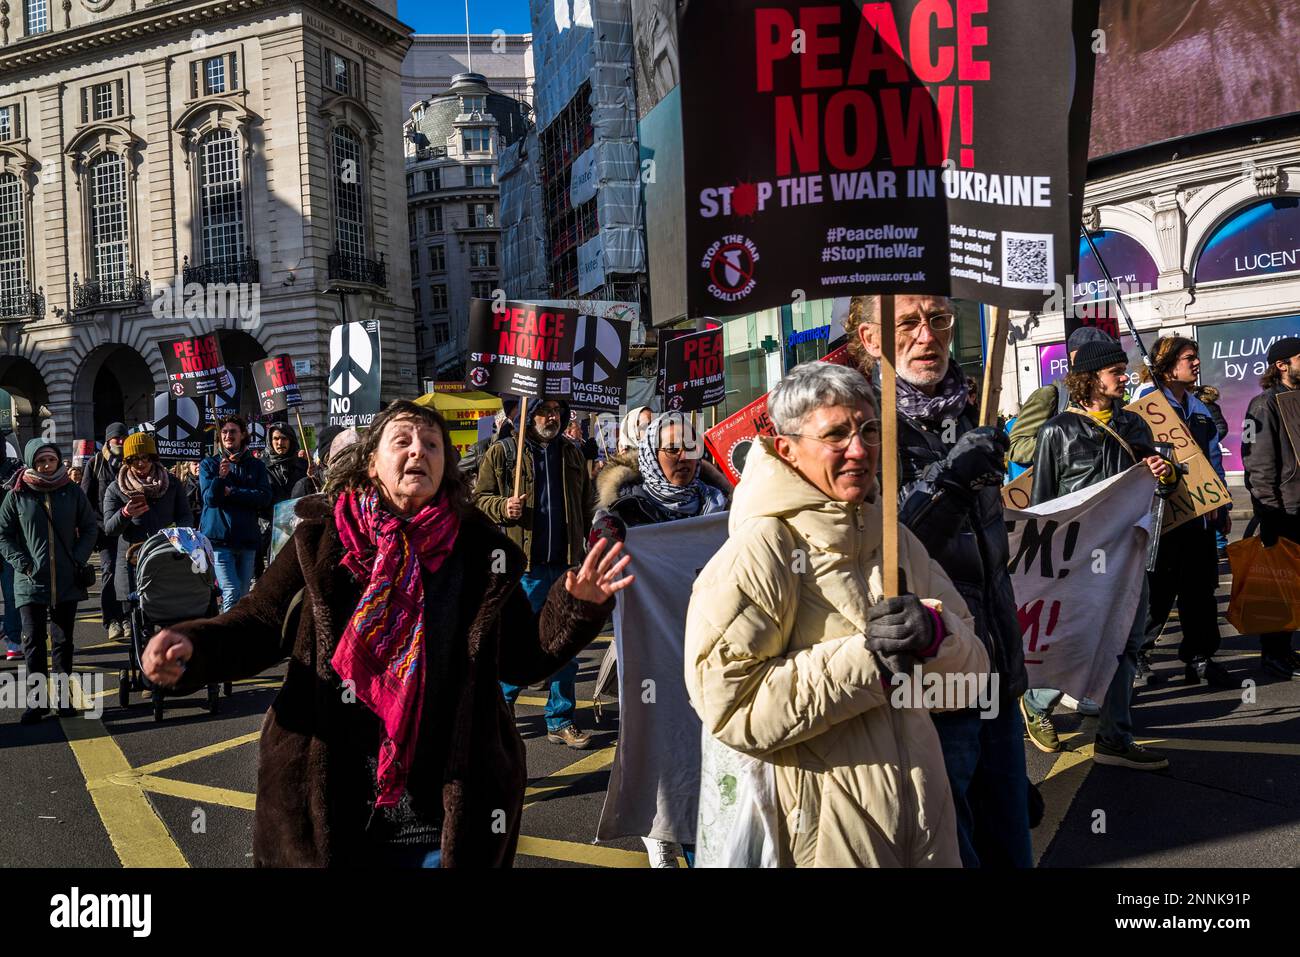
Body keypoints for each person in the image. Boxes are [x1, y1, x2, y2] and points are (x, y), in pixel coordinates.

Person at [141, 400, 633, 866]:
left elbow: (525, 658)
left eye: (432, 444)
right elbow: (260, 623)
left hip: (443, 812)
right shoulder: (322, 537)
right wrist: (193, 646)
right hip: (328, 803)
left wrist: (577, 606)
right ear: (372, 463)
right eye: (403, 441)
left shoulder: (481, 551)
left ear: (446, 467)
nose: (419, 450)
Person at [684, 362, 990, 867]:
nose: (859, 449)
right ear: (787, 449)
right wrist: (866, 660)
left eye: (870, 430)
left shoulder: (892, 535)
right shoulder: (762, 549)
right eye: (837, 434)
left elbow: (973, 674)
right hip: (822, 835)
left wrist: (936, 636)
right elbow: (730, 707)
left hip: (927, 823)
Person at [849, 293, 1032, 868]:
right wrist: (951, 478)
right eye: (907, 323)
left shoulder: (975, 408)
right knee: (947, 848)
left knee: (1009, 843)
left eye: (939, 319)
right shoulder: (863, 425)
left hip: (994, 668)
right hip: (931, 680)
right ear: (871, 338)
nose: (927, 335)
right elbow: (881, 545)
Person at [1027, 339, 1178, 769]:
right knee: (1074, 639)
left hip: (1129, 552)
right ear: (1091, 378)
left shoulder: (1135, 426)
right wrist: (1048, 565)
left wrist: (1165, 476)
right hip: (1079, 559)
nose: (1125, 376)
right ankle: (1037, 702)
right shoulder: (1057, 430)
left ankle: (1115, 737)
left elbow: (1162, 489)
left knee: (1125, 645)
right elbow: (1043, 506)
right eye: (1116, 371)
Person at [590, 411, 730, 868]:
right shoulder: (628, 513)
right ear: (651, 453)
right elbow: (596, 566)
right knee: (668, 752)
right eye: (672, 449)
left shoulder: (723, 506)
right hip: (659, 658)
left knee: (719, 756)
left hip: (722, 657)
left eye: (692, 448)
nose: (685, 458)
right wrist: (603, 539)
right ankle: (664, 833)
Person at [475, 398, 597, 748]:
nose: (552, 417)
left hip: (566, 563)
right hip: (525, 567)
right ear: (527, 415)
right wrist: (502, 506)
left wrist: (586, 549)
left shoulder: (572, 454)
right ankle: (501, 713)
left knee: (565, 647)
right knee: (520, 644)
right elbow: (479, 498)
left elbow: (587, 505)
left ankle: (560, 719)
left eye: (557, 411)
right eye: (544, 410)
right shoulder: (502, 453)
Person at [1132, 337, 1233, 687]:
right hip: (1163, 518)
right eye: (1189, 358)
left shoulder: (1199, 409)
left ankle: (1201, 657)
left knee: (1201, 590)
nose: (1196, 364)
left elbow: (1213, 460)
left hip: (1201, 517)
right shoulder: (1146, 407)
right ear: (1167, 364)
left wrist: (1222, 503)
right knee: (1157, 592)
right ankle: (1139, 656)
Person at [0, 439, 98, 723]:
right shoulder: (17, 494)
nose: (46, 465)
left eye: (51, 460)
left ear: (58, 461)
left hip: (66, 580)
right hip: (30, 580)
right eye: (41, 461)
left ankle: (64, 699)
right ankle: (37, 702)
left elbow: (90, 527)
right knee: (32, 642)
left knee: (63, 641)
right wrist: (24, 563)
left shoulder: (71, 491)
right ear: (32, 463)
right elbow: (3, 535)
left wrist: (78, 558)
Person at [1241, 336, 1300, 678]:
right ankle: (1274, 654)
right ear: (1282, 365)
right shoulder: (1264, 405)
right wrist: (1270, 514)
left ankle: (1286, 649)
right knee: (1281, 588)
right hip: (1286, 511)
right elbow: (1259, 465)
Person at [102, 432, 194, 625]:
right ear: (127, 461)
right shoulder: (115, 488)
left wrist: (175, 530)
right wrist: (125, 514)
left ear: (153, 458)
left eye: (145, 458)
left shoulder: (171, 483)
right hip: (132, 560)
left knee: (168, 619)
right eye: (134, 459)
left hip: (166, 556)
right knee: (139, 624)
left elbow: (186, 516)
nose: (141, 464)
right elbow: (109, 529)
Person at [200, 414, 272, 611]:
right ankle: (228, 638)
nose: (228, 435)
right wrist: (220, 478)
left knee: (243, 593)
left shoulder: (256, 466)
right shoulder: (209, 465)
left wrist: (233, 492)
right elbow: (210, 500)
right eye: (224, 432)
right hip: (219, 540)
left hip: (247, 539)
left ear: (243, 435)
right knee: (230, 591)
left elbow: (264, 497)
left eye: (233, 431)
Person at [82, 422, 128, 641]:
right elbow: (86, 499)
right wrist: (94, 527)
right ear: (108, 440)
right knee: (110, 572)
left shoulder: (132, 461)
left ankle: (128, 617)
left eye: (122, 438)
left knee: (131, 575)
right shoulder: (96, 463)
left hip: (130, 529)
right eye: (115, 438)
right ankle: (111, 620)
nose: (119, 442)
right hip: (106, 530)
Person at [1196, 384, 1232, 557]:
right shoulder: (1196, 405)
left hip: (1209, 459)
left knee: (1215, 503)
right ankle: (1219, 543)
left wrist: (1210, 437)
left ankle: (1220, 544)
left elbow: (1221, 427)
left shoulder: (1205, 407)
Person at [0, 439, 23, 660]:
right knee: (11, 595)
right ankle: (12, 636)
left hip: (9, 541)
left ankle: (14, 640)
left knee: (12, 594)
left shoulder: (15, 468)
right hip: (10, 539)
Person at [289, 424, 345, 499]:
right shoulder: (306, 486)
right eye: (337, 452)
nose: (343, 458)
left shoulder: (353, 482)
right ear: (325, 456)